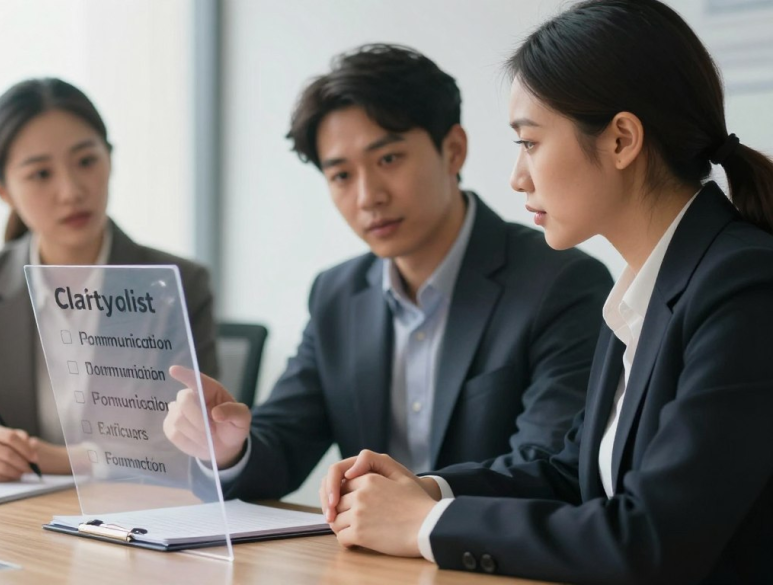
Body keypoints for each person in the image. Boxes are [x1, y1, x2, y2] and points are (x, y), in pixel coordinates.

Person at [319, 2, 773, 583]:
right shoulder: (647, 285)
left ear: (621, 140)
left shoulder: (742, 287)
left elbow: (653, 537)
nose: (517, 176)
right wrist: (425, 489)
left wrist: (425, 525)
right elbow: (570, 475)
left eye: (530, 142)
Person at [163, 44, 613, 501]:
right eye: (341, 176)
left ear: (453, 150)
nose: (367, 196)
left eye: (388, 160)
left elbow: (550, 468)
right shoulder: (336, 293)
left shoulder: (562, 283)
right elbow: (284, 444)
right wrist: (227, 448)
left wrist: (415, 500)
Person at [0, 78, 218, 481]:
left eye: (86, 161)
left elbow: (191, 441)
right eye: (41, 174)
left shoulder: (176, 284)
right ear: (2, 190)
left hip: (136, 525)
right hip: (11, 527)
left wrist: (68, 459)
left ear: (110, 159)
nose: (70, 191)